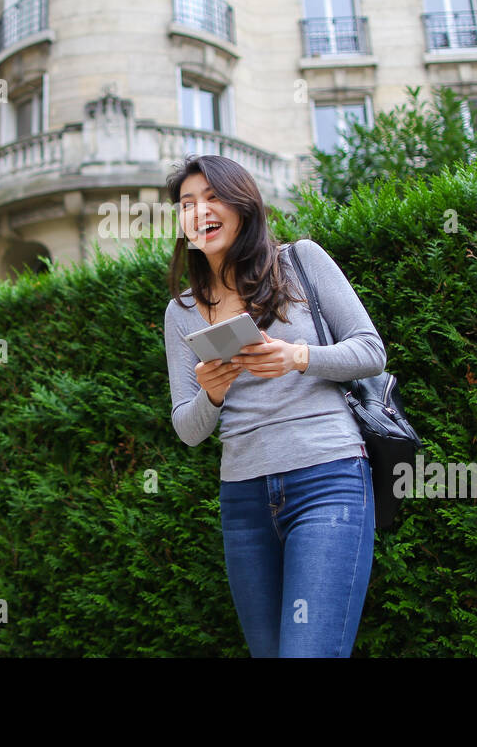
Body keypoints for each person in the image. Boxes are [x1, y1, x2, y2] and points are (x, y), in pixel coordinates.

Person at [161, 155, 387, 657]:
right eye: (187, 203)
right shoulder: (179, 312)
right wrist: (213, 392)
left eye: (212, 198)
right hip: (243, 501)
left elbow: (371, 352)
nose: (200, 211)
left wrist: (296, 357)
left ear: (243, 205)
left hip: (327, 479)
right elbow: (187, 428)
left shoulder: (300, 262)